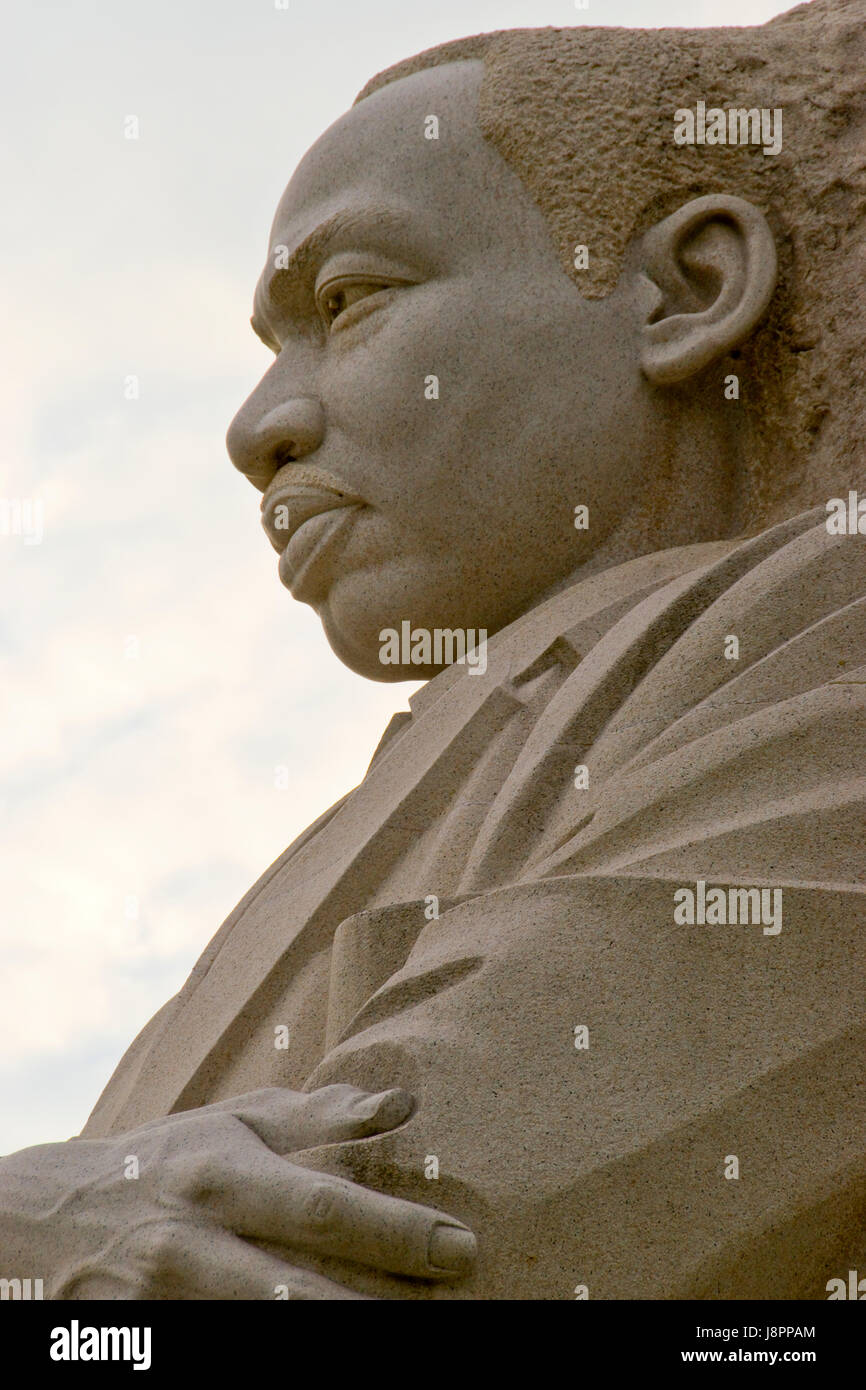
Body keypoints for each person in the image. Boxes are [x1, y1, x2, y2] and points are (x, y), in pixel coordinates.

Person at [3, 0, 865, 1299]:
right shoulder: (325, 850)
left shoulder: (818, 629)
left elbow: (402, 1236)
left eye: (349, 300)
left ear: (687, 292)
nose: (257, 426)